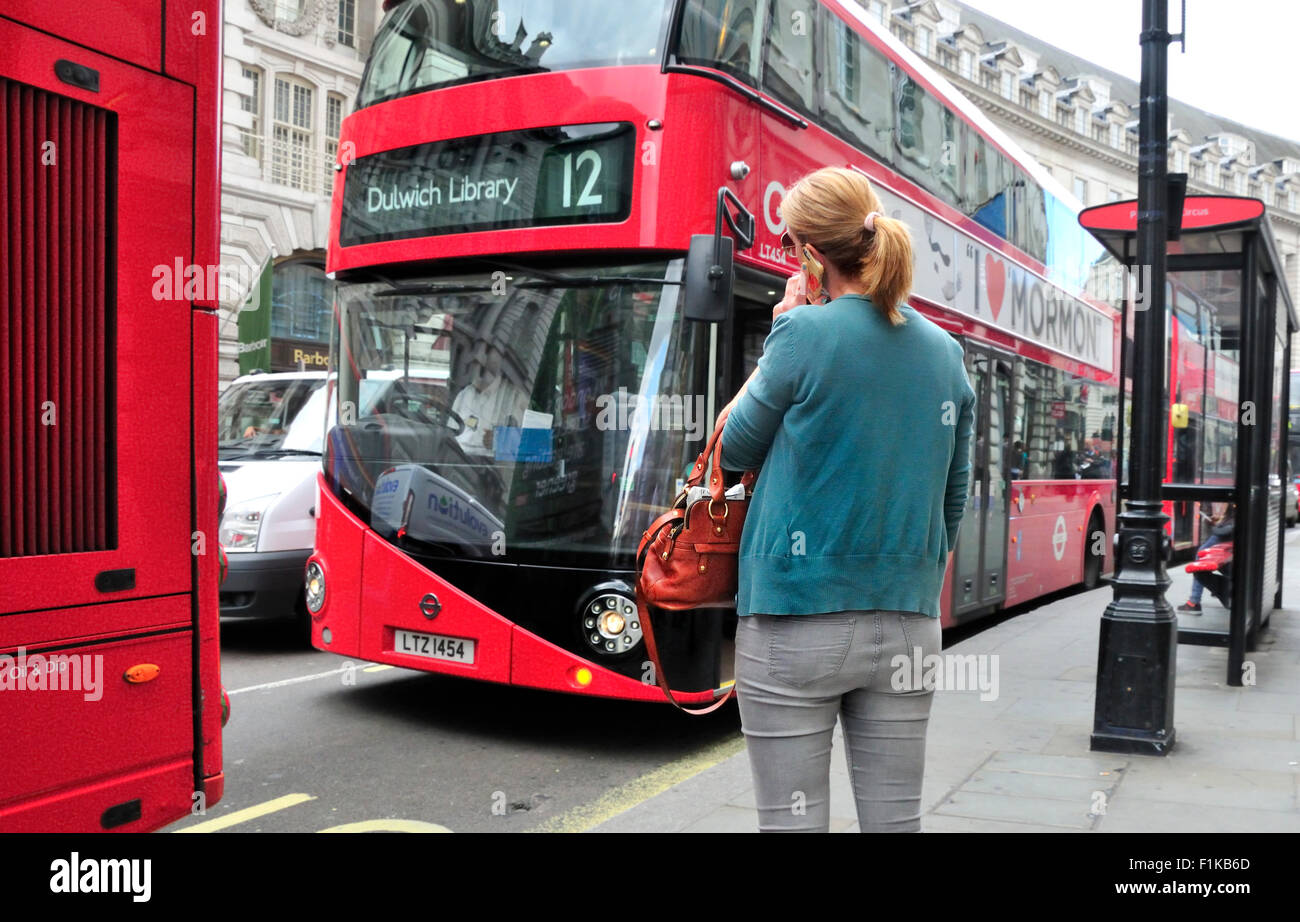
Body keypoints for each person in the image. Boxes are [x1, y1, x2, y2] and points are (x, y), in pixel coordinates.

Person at [719, 166, 976, 833]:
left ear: (808, 254)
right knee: (896, 824)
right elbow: (953, 504)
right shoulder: (946, 355)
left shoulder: (801, 336)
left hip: (794, 619)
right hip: (908, 620)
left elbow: (734, 451)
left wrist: (781, 332)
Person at [451, 342, 527, 458]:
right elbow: (450, 434)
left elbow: (540, 444)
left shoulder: (515, 397)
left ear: (500, 361)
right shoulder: (465, 394)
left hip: (492, 470)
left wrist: (502, 441)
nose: (479, 357)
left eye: (487, 352)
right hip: (455, 463)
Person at [1178, 504, 1234, 614]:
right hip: (1228, 529)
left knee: (1200, 558)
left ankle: (1194, 602)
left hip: (1226, 531)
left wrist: (1218, 525)